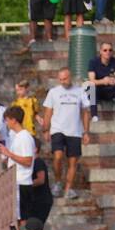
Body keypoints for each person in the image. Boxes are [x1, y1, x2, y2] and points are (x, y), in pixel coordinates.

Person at [41, 67, 91, 199]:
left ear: (70, 77)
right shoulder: (53, 92)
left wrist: (86, 132)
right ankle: (58, 182)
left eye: (65, 79)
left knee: (72, 162)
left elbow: (86, 112)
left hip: (75, 131)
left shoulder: (80, 91)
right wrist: (46, 129)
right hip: (58, 129)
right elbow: (48, 112)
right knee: (57, 156)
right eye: (61, 79)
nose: (63, 81)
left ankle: (69, 188)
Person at [87, 40, 115, 120]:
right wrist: (104, 81)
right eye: (105, 50)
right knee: (91, 88)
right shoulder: (93, 62)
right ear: (100, 51)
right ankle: (94, 116)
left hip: (110, 89)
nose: (108, 52)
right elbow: (91, 81)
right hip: (98, 89)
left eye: (110, 50)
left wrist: (113, 81)